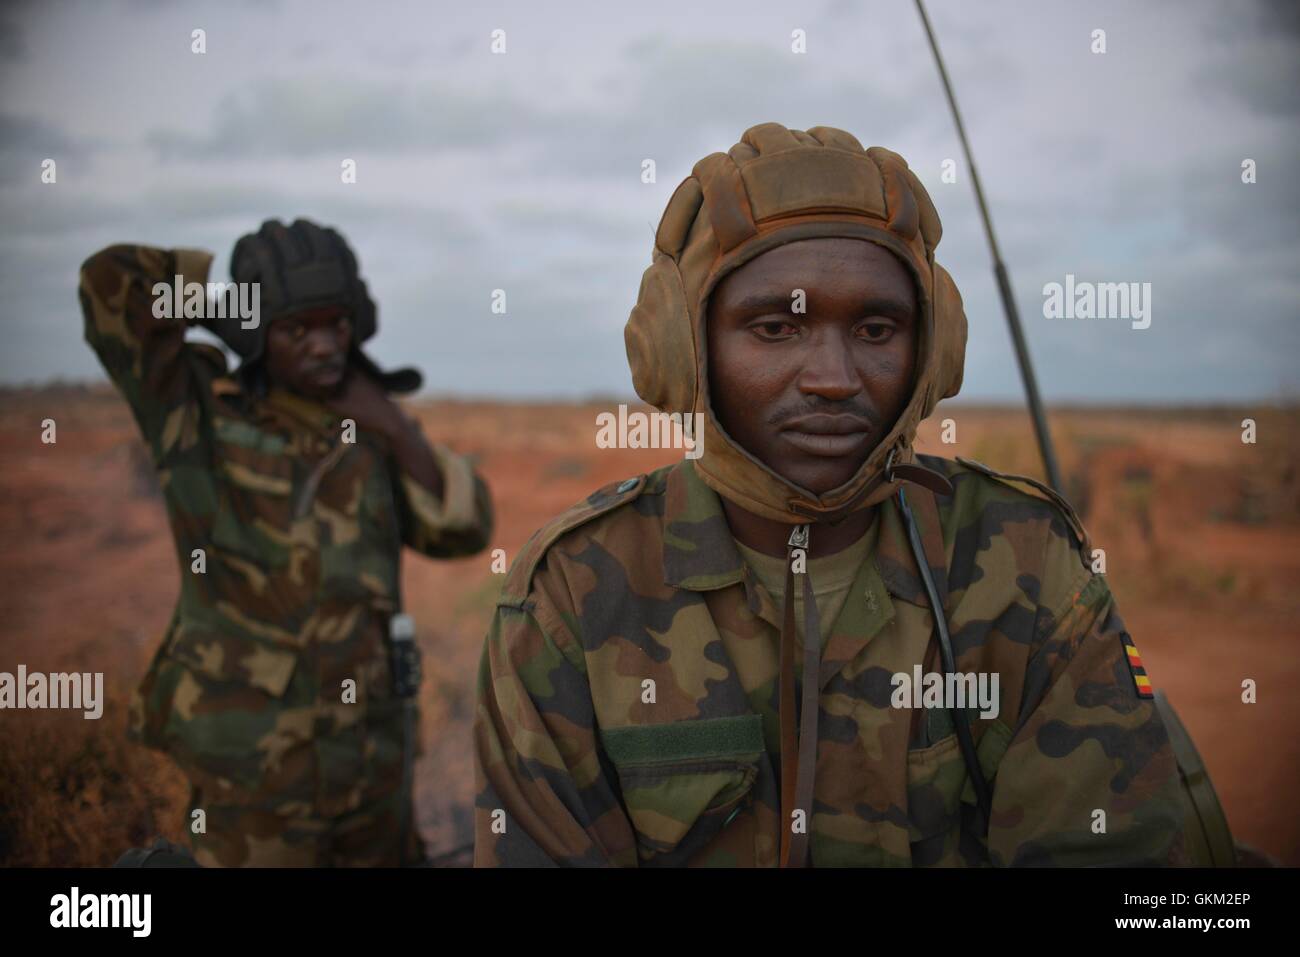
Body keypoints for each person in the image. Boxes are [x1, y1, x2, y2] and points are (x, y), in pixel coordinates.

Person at [473, 123, 1188, 867]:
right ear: (682, 351)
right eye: (776, 327)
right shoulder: (574, 591)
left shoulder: (1025, 564)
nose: (834, 378)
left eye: (878, 328)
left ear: (930, 353)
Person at [80, 218, 493, 866]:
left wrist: (392, 422)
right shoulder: (198, 413)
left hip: (372, 761)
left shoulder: (362, 429)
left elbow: (464, 529)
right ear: (255, 331)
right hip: (255, 772)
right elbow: (108, 286)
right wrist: (223, 305)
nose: (325, 345)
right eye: (297, 328)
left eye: (336, 324)